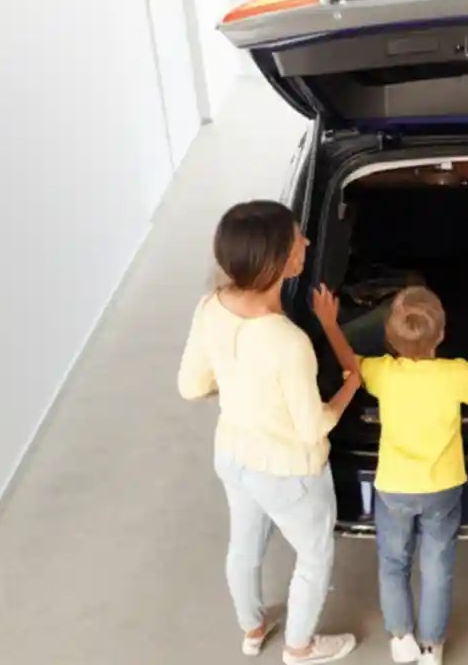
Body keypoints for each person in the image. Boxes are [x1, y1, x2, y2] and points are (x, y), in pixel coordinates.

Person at [312, 285, 468, 665]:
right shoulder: (456, 374)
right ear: (441, 335)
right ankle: (431, 646)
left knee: (393, 562)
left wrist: (328, 322)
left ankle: (400, 638)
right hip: (442, 488)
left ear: (388, 337)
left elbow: (349, 363)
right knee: (437, 566)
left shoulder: (383, 372)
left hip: (394, 488)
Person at [177, 200, 360, 663]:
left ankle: (253, 629)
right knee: (315, 558)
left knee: (244, 544)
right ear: (282, 259)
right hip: (287, 473)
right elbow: (313, 426)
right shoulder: (287, 341)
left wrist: (241, 388)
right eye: (299, 236)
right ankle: (300, 647)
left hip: (233, 455)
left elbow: (191, 385)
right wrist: (351, 384)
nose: (307, 242)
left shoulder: (210, 306)